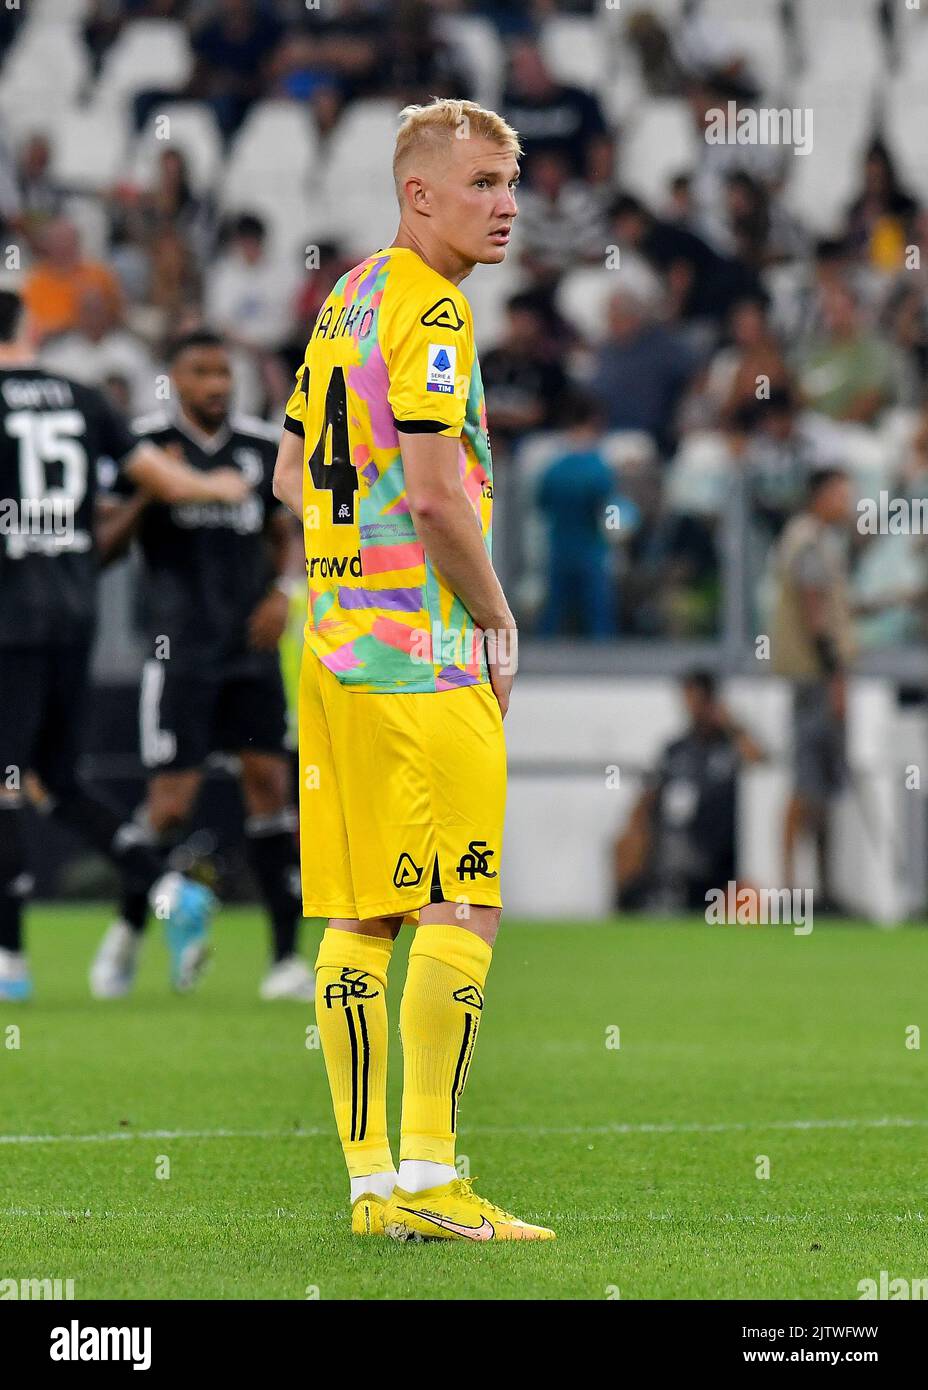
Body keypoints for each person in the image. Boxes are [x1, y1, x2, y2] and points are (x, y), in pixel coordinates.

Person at [273, 97, 554, 1242]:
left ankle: (371, 1188)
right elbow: (437, 495)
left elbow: (292, 479)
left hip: (335, 652)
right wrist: (492, 619)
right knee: (462, 901)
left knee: (361, 913)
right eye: (483, 181)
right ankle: (435, 1181)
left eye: (512, 180)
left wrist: (349, 573)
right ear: (417, 192)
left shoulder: (345, 297)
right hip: (424, 653)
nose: (506, 205)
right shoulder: (429, 311)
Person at [0, 288, 250, 1001]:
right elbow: (165, 480)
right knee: (56, 780)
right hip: (75, 613)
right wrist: (228, 485)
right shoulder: (82, 398)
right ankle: (170, 888)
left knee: (8, 784)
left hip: (9, 614)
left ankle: (10, 960)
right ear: (31, 330)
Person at [88, 330, 309, 1003]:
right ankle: (126, 935)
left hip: (251, 651)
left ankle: (283, 962)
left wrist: (284, 593)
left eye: (224, 371)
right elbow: (102, 548)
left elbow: (289, 530)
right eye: (200, 372)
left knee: (271, 786)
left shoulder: (261, 445)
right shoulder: (142, 446)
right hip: (176, 651)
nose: (216, 384)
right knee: (169, 807)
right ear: (173, 380)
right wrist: (154, 492)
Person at [771, 468, 855, 900]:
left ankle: (820, 887)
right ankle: (791, 886)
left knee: (820, 783)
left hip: (814, 678)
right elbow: (815, 611)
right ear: (820, 496)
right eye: (842, 495)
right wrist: (835, 677)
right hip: (815, 679)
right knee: (806, 782)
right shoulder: (809, 542)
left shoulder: (813, 539)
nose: (849, 504)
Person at [614, 670, 764, 912]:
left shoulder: (728, 747)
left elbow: (758, 759)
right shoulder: (675, 749)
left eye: (697, 701)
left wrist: (731, 724)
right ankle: (626, 909)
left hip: (715, 852)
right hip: (672, 842)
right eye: (687, 700)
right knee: (627, 842)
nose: (691, 708)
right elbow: (649, 794)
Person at [536, 390, 622, 638]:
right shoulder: (600, 468)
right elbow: (610, 507)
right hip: (591, 546)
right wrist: (615, 535)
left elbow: (542, 503)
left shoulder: (554, 468)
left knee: (554, 605)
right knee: (597, 607)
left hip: (559, 544)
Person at [21, 219, 124, 343]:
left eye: (69, 242)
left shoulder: (100, 274)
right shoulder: (34, 281)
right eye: (59, 243)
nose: (65, 247)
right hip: (56, 345)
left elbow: (118, 313)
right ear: (47, 246)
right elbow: (32, 326)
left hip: (103, 341)